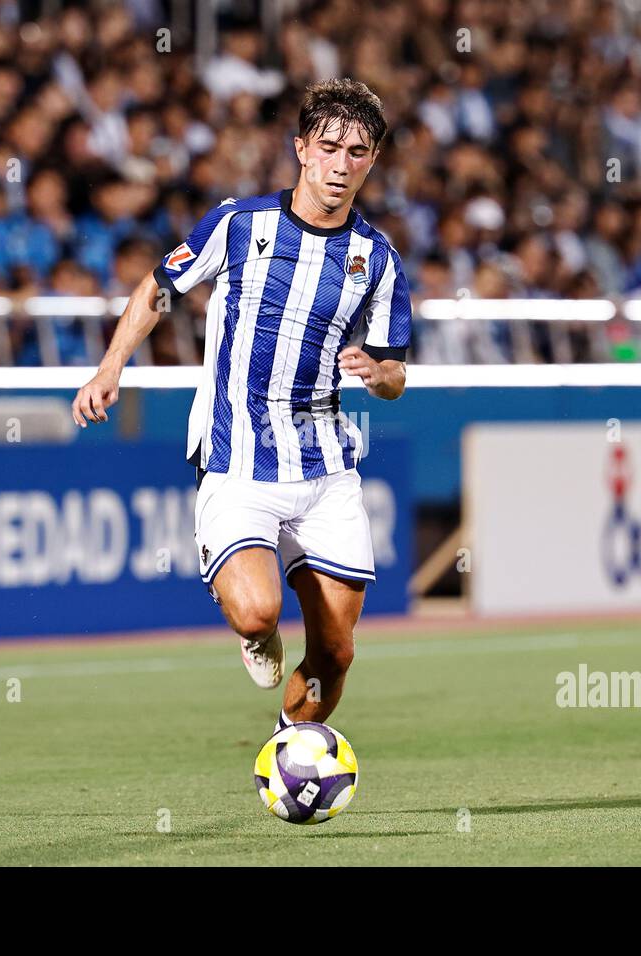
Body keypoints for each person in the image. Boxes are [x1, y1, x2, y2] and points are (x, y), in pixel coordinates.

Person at [71, 78, 411, 734]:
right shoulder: (239, 223)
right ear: (302, 150)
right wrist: (111, 364)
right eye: (331, 147)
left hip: (325, 469)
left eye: (359, 152)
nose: (342, 164)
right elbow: (158, 286)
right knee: (258, 612)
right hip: (238, 458)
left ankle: (291, 746)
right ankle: (256, 638)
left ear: (372, 162)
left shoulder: (379, 258)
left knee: (336, 652)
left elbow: (396, 371)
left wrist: (381, 375)